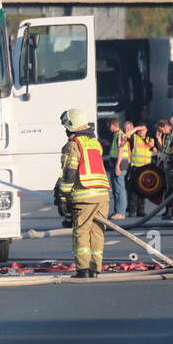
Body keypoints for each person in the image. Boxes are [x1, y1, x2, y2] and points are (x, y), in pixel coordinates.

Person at [55, 109, 111, 278]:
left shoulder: (73, 145)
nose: (66, 131)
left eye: (66, 127)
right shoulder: (95, 143)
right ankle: (95, 268)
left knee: (81, 232)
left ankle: (83, 269)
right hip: (102, 195)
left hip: (84, 196)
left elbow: (70, 173)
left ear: (71, 127)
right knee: (97, 232)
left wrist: (63, 196)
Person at [104, 118, 129, 218]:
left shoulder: (120, 136)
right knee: (115, 189)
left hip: (120, 163)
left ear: (112, 125)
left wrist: (118, 166)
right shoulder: (117, 136)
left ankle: (121, 212)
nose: (109, 129)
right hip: (115, 163)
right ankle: (117, 211)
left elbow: (121, 151)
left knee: (119, 188)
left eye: (109, 126)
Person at [128, 123, 154, 216]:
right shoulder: (134, 138)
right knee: (134, 190)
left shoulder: (149, 139)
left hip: (146, 167)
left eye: (143, 130)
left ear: (146, 130)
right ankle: (132, 210)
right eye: (140, 130)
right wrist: (137, 127)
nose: (142, 132)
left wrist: (152, 147)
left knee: (143, 189)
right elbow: (127, 135)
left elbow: (154, 151)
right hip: (136, 166)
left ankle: (141, 210)